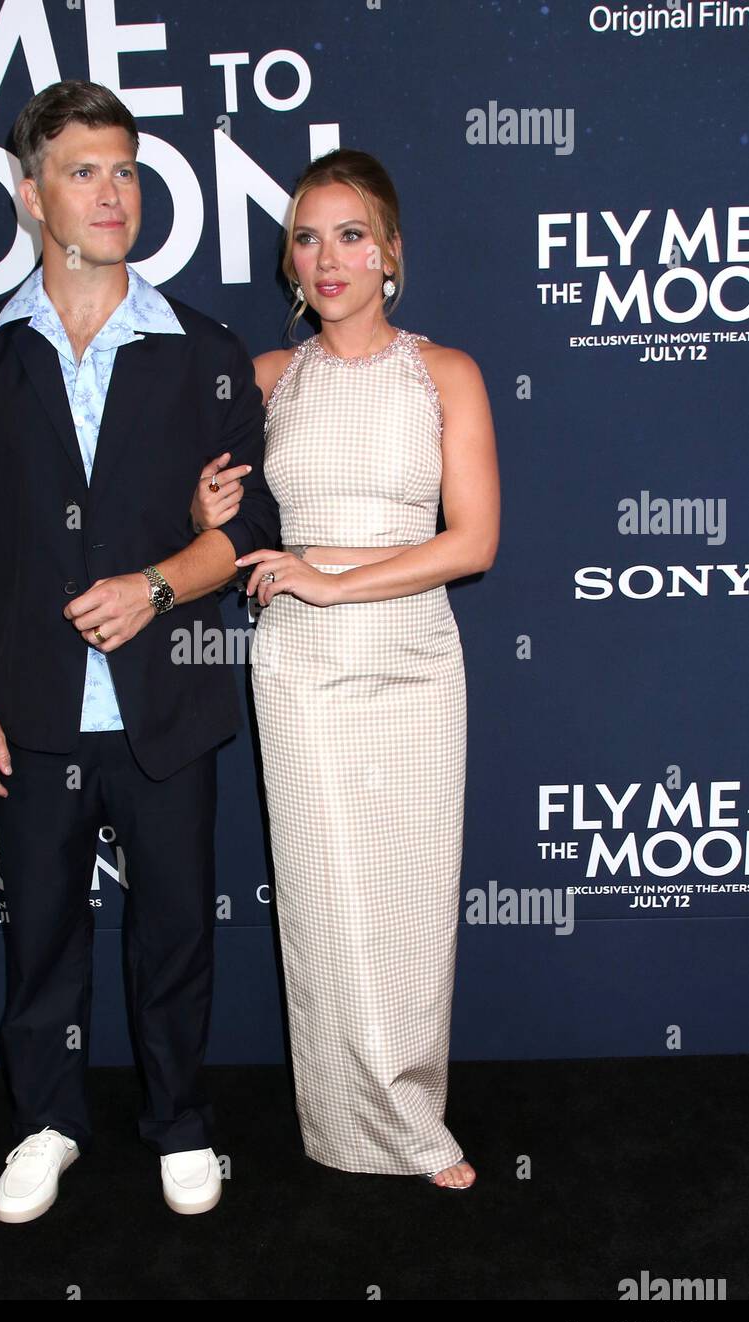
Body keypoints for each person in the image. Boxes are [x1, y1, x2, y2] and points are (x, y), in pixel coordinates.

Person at [0, 80, 279, 1222]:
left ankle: (179, 1121)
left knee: (175, 929)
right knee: (40, 938)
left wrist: (157, 582)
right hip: (29, 706)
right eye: (83, 171)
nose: (112, 190)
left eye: (124, 168)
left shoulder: (204, 349)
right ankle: (45, 1119)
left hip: (165, 701)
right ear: (31, 195)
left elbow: (253, 527)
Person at [191, 149, 499, 1188]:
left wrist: (331, 575)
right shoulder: (268, 379)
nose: (328, 259)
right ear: (290, 258)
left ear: (391, 253)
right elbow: (218, 526)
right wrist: (209, 518)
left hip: (413, 658)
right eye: (308, 237)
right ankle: (346, 1122)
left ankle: (413, 1111)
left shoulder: (443, 372)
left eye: (351, 235)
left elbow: (472, 542)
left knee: (409, 893)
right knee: (325, 900)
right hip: (303, 670)